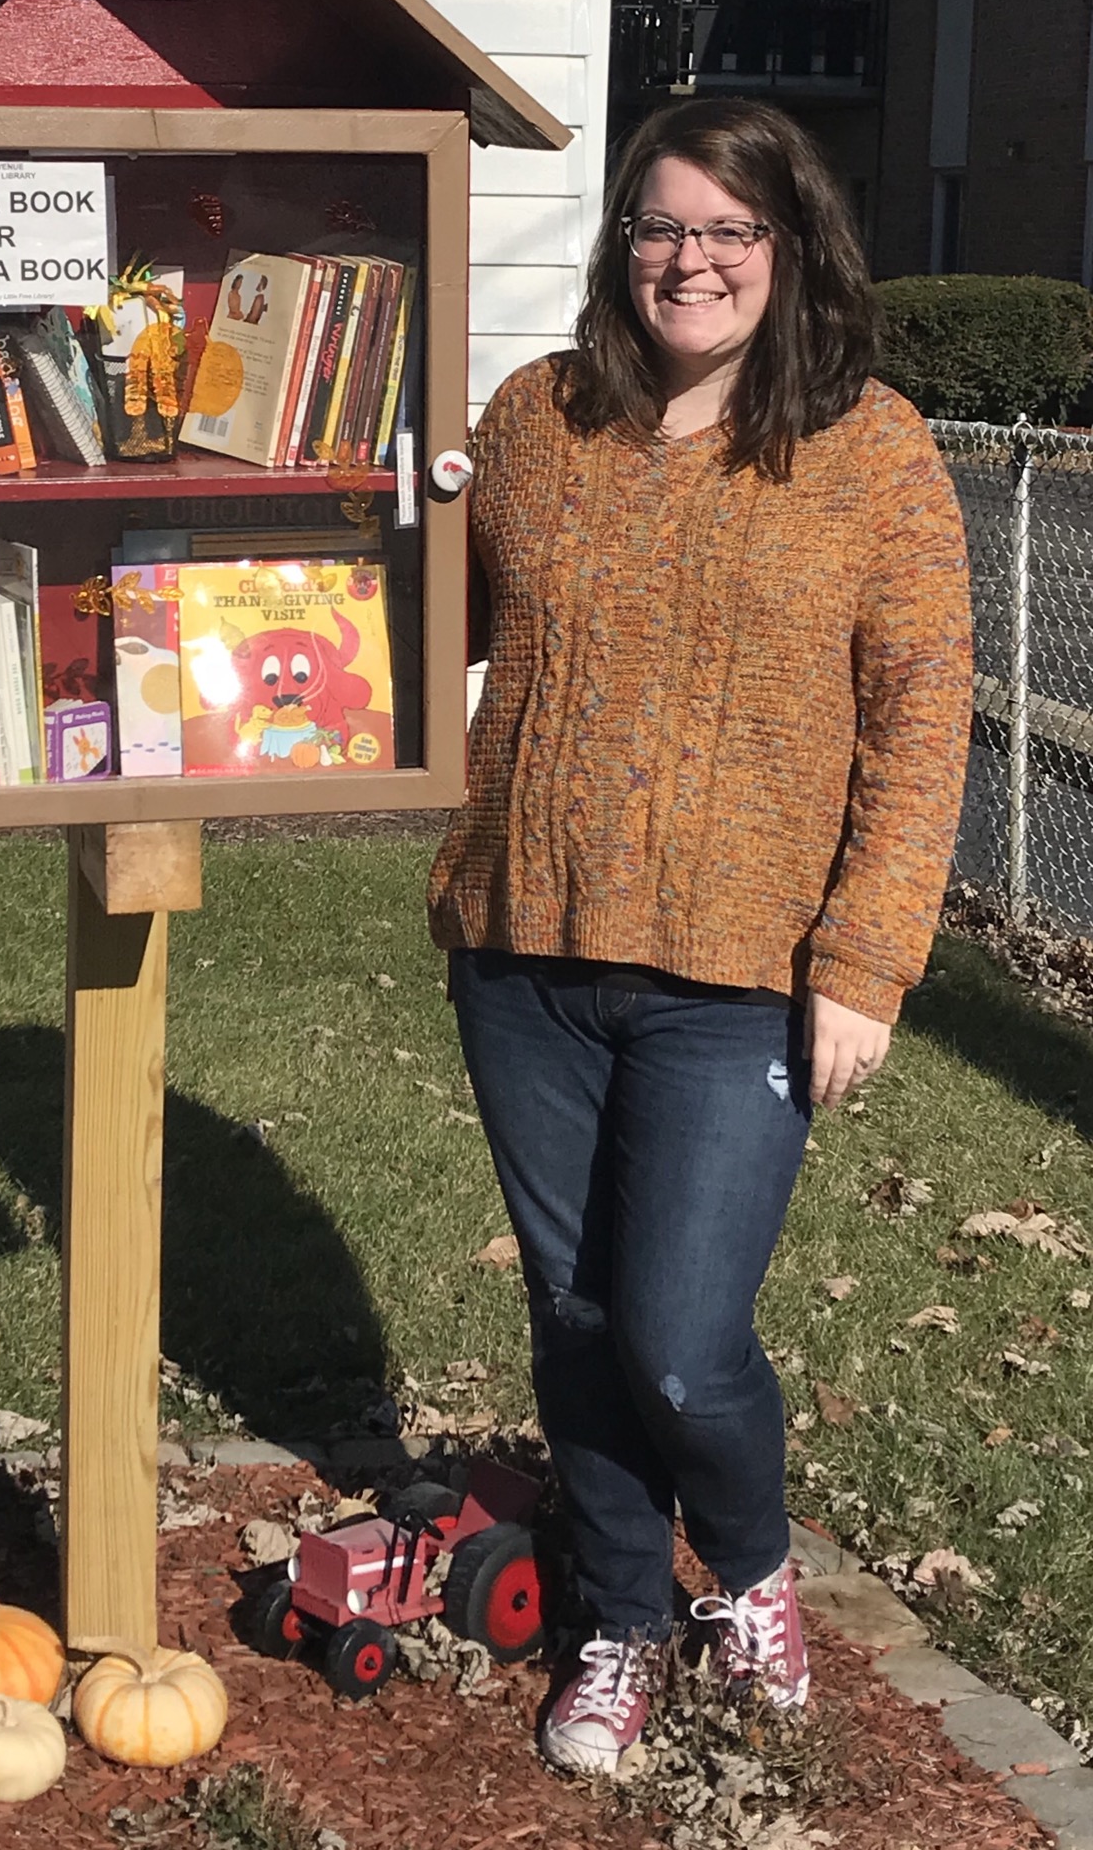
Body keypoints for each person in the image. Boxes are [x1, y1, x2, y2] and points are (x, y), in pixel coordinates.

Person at [428, 97, 972, 1775]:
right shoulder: (538, 419)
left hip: (741, 974)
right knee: (578, 1321)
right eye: (663, 226)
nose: (693, 260)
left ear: (790, 249)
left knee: (673, 1336)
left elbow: (921, 716)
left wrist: (866, 964)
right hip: (524, 949)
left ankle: (744, 1569)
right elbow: (433, 623)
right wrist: (404, 506)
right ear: (622, 243)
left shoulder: (871, 451)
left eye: (731, 231)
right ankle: (618, 1624)